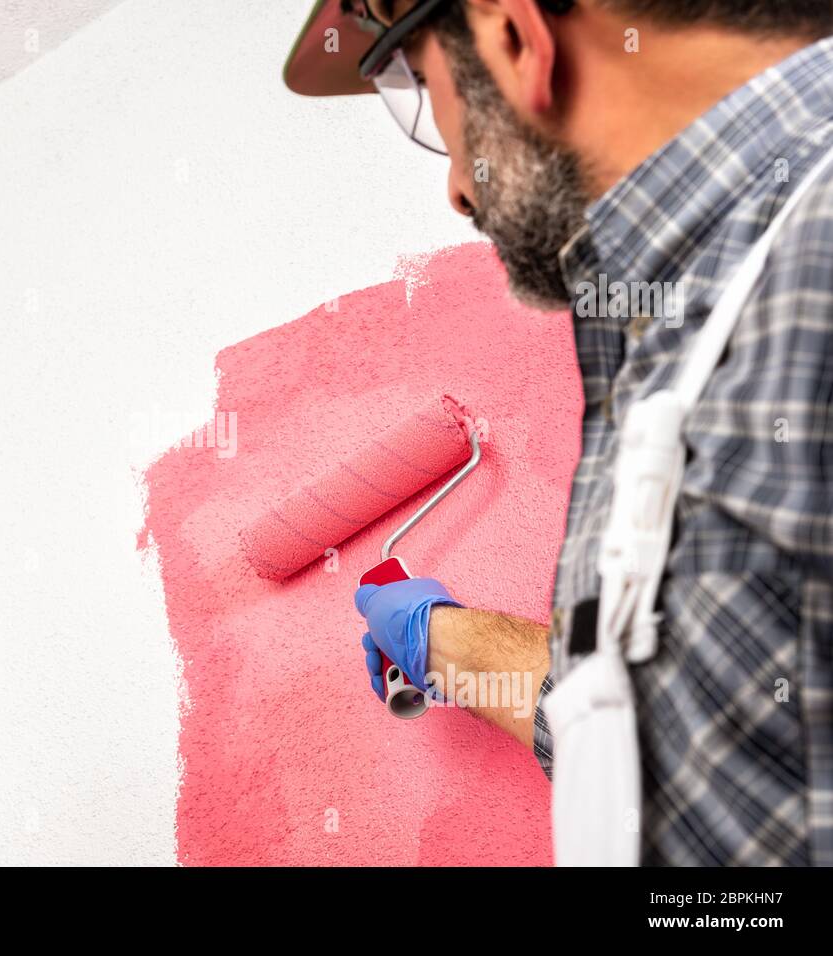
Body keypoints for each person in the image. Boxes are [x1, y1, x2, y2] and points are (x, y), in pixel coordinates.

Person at [285, 0, 833, 865]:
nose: (458, 187)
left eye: (425, 90)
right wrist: (452, 643)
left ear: (515, 36)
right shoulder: (717, 308)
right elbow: (721, 768)